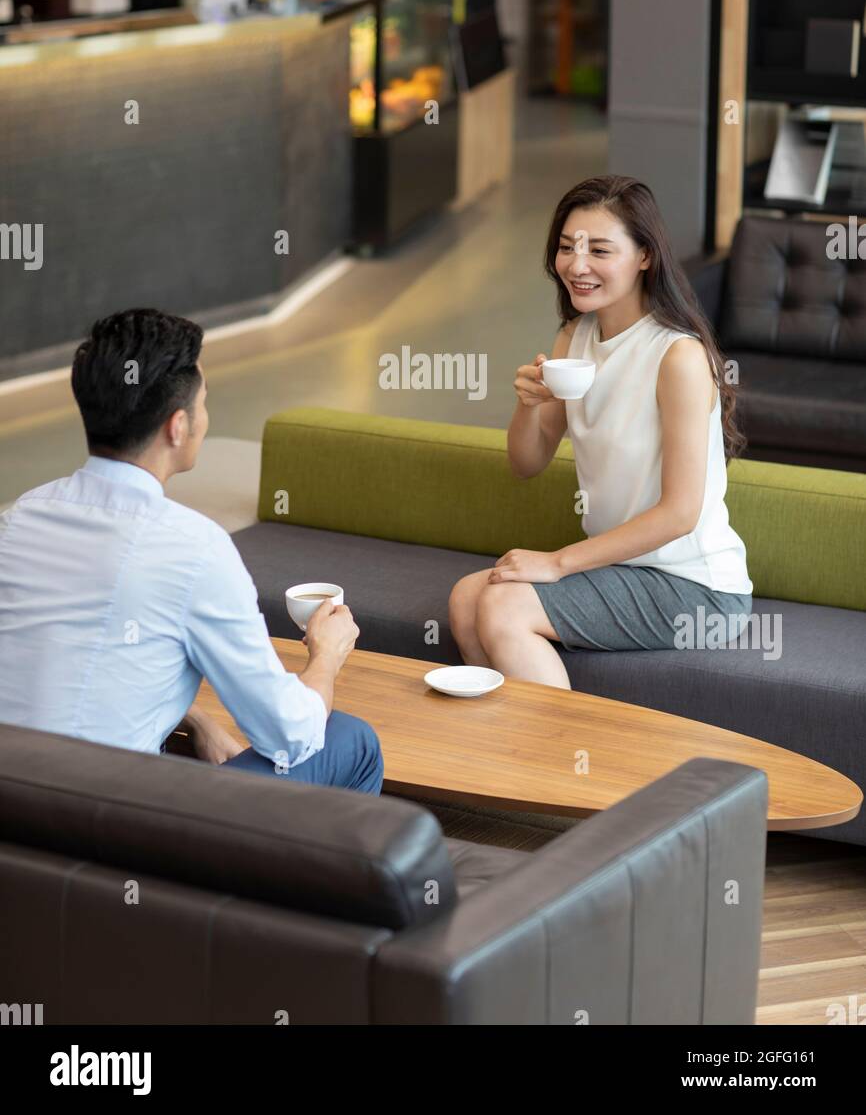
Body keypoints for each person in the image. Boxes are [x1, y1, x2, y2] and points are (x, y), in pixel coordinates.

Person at [0, 308, 383, 793]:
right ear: (178, 427)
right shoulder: (194, 548)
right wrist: (325, 658)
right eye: (203, 402)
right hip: (114, 826)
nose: (207, 416)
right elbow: (289, 733)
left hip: (15, 808)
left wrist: (196, 720)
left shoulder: (22, 518)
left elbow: (80, 657)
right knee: (351, 739)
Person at [449, 175, 753, 688]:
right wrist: (529, 405)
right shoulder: (576, 335)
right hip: (626, 569)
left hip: (698, 588)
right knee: (465, 599)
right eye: (568, 247)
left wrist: (558, 563)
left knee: (503, 607)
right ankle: (508, 759)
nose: (577, 264)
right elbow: (526, 463)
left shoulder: (677, 355)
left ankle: (562, 761)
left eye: (600, 250)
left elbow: (681, 513)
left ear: (644, 257)